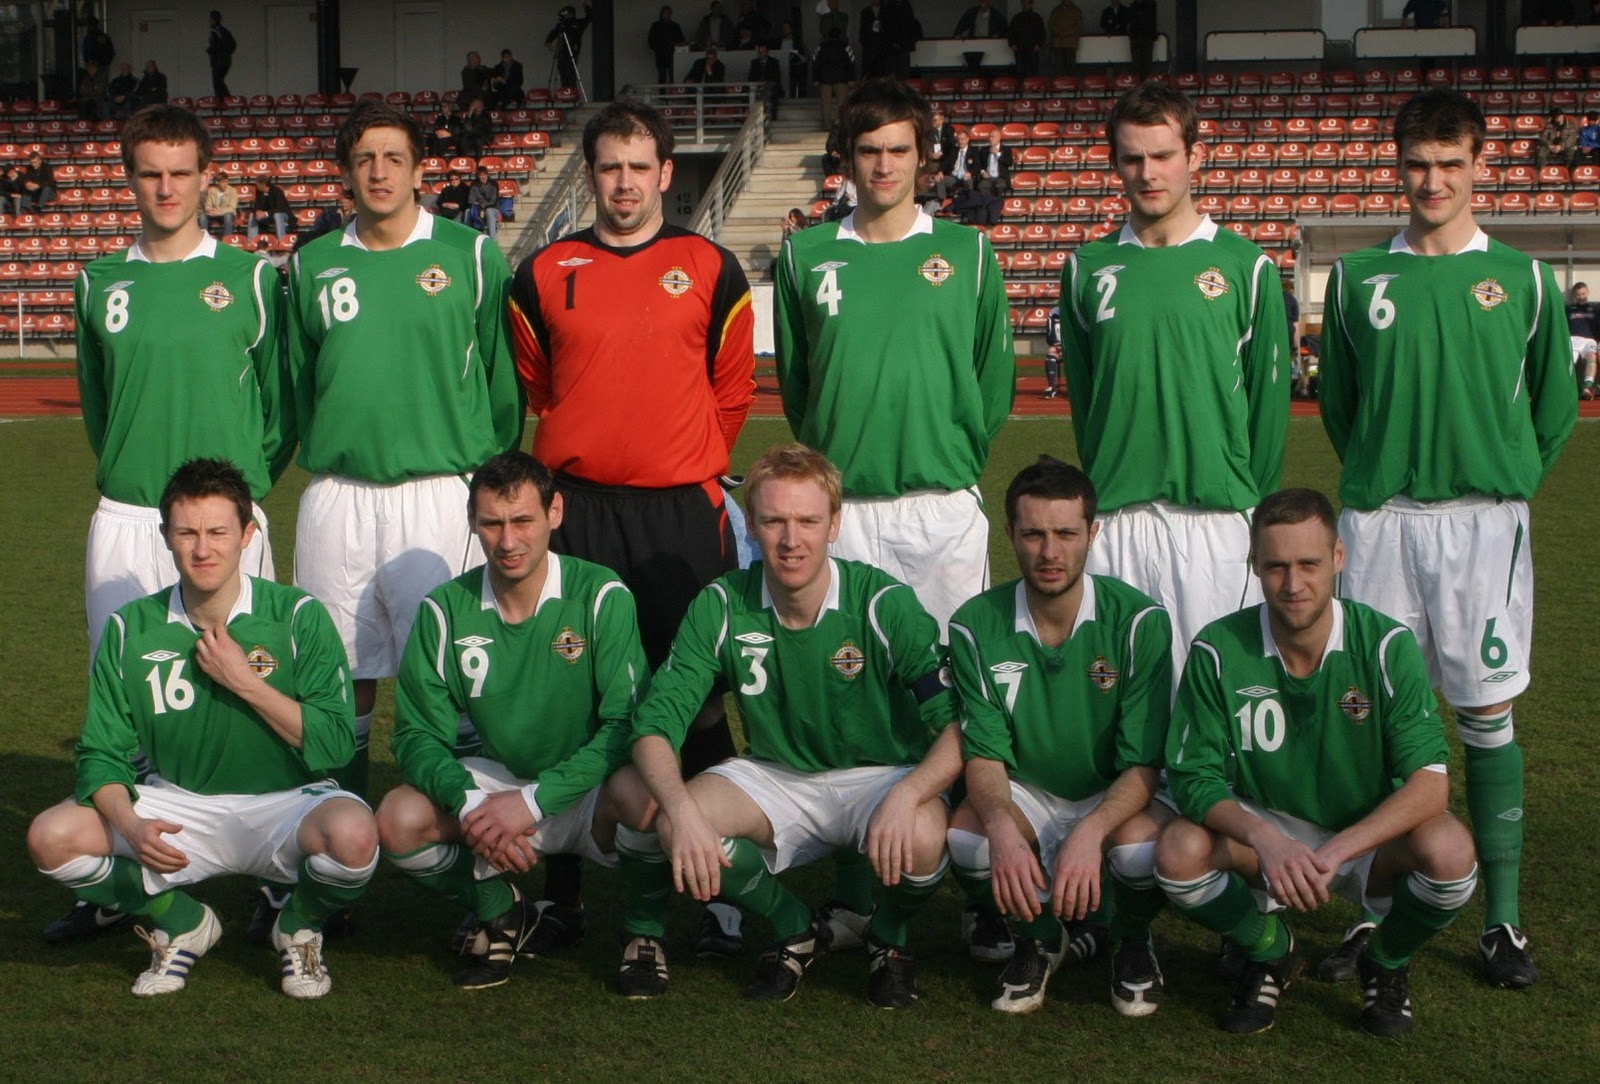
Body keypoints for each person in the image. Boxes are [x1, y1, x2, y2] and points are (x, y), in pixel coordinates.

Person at [1318, 89, 1577, 990]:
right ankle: (1375, 910)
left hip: (1482, 525)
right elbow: (1344, 413)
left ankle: (1502, 921)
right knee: (1374, 721)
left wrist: (1502, 482)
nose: (1433, 181)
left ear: (1479, 167)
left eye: (1451, 165)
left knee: (1485, 716)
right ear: (1399, 168)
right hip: (1382, 523)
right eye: (1418, 165)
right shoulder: (1355, 282)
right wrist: (1387, 481)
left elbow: (1552, 412)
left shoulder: (1528, 281)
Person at [508, 98, 755, 958]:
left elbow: (732, 391)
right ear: (590, 175)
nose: (623, 182)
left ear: (665, 174)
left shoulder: (710, 266)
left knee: (698, 701)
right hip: (578, 513)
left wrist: (677, 463)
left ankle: (721, 887)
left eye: (639, 166)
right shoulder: (542, 272)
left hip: (680, 511)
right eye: (608, 166)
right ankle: (565, 892)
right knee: (571, 699)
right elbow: (540, 386)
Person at [609, 444, 961, 1006]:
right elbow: (655, 726)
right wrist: (678, 808)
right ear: (751, 523)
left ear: (835, 524)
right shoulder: (722, 604)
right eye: (773, 520)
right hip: (778, 774)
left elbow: (955, 726)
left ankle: (888, 938)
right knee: (676, 822)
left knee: (923, 832)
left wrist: (911, 793)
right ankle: (795, 926)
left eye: (807, 521)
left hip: (880, 777)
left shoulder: (882, 603)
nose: (791, 539)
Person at [27, 458, 375, 1000]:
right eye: (187, 532)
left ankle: (299, 927)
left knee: (356, 835)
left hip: (286, 805)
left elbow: (333, 745)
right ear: (167, 536)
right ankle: (180, 921)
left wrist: (247, 683)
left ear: (248, 535)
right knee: (51, 837)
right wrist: (132, 824)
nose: (203, 548)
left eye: (218, 532)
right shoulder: (131, 628)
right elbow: (101, 755)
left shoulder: (297, 615)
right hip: (178, 808)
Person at [1156, 487, 1479, 1036]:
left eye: (1308, 563)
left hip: (1363, 838)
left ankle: (1387, 959)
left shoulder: (1383, 645)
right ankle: (1270, 950)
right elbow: (1192, 777)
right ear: (1254, 564)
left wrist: (1336, 851)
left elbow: (1430, 787)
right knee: (1177, 850)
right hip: (1268, 831)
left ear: (1338, 558)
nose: (1293, 583)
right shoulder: (1219, 649)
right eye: (1276, 566)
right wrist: (1268, 840)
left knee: (1449, 852)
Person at [286, 99, 523, 814]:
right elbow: (300, 385)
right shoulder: (312, 264)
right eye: (364, 160)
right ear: (344, 175)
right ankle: (341, 852)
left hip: (440, 496)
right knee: (337, 675)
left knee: (454, 673)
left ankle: (467, 848)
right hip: (339, 494)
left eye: (394, 158)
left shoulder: (469, 253)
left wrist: (485, 476)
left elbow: (501, 384)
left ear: (421, 169)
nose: (379, 172)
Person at [376, 451, 653, 989]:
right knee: (397, 817)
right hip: (496, 789)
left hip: (586, 791)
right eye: (492, 523)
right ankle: (501, 908)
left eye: (522, 520)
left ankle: (644, 933)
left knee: (649, 792)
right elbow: (414, 736)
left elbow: (626, 726)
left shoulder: (600, 595)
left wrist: (530, 802)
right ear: (473, 522)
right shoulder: (444, 610)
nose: (507, 541)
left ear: (555, 512)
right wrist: (473, 802)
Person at [1060, 81, 1289, 675]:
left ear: (1195, 155)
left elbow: (1268, 415)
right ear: (1115, 163)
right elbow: (1087, 401)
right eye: (1132, 158)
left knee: (1214, 700)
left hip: (1217, 523)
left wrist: (1241, 498)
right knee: (1119, 704)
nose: (1148, 172)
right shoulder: (1087, 267)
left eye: (1162, 155)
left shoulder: (1247, 267)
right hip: (1116, 520)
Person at [775, 78, 1015, 632]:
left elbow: (993, 382)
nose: (884, 165)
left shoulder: (968, 251)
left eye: (898, 150)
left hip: (942, 508)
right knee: (848, 684)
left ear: (924, 158)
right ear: (848, 158)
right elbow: (797, 383)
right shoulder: (804, 254)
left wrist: (955, 449)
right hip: (842, 510)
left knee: (952, 684)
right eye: (870, 150)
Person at [947, 457, 1174, 1017]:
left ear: (1093, 533)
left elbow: (1144, 763)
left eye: (1066, 533)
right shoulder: (973, 623)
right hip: (1029, 790)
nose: (1050, 553)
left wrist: (1092, 831)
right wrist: (1000, 824)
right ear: (1011, 536)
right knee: (968, 837)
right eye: (1034, 534)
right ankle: (1041, 937)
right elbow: (984, 752)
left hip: (1113, 790)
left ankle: (1131, 940)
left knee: (1143, 849)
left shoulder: (1139, 621)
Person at [74, 105, 287, 662]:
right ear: (129, 179)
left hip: (224, 523)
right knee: (126, 698)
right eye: (150, 174)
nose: (166, 188)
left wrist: (241, 489)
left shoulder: (253, 279)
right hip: (128, 516)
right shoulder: (97, 283)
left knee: (244, 695)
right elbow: (98, 408)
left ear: (206, 176)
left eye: (181, 173)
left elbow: (283, 410)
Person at [812, 30, 855, 128]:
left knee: (826, 104)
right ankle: (840, 127)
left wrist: (816, 78)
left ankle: (827, 126)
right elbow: (851, 61)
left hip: (825, 78)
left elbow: (815, 62)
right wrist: (851, 78)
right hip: (841, 77)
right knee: (841, 104)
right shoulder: (845, 46)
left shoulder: (822, 46)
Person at [547, 5, 593, 90]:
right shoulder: (561, 25)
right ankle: (565, 93)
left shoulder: (578, 23)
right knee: (563, 73)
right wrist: (548, 42)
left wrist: (586, 7)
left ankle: (572, 93)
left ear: (571, 14)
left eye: (566, 13)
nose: (565, 15)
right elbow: (553, 33)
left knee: (570, 73)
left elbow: (589, 18)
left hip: (572, 51)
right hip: (562, 51)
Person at [1569, 282, 1598, 400]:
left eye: (1583, 294)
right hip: (1573, 339)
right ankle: (1565, 388)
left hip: (1589, 340)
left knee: (1592, 357)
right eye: (1578, 294)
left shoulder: (1595, 309)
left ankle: (1587, 387)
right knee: (1569, 361)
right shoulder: (1569, 309)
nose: (1581, 297)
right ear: (1574, 295)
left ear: (1587, 293)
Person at [1008, 0, 1047, 78]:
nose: (1024, 6)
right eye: (1023, 4)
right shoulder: (1016, 18)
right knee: (1020, 71)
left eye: (1026, 4)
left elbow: (1042, 33)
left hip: (1033, 49)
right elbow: (1010, 33)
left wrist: (1039, 45)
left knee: (1033, 70)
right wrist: (1012, 44)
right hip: (1020, 48)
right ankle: (1021, 88)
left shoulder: (1037, 18)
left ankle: (1034, 87)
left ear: (1031, 5)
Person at [247, 177, 293, 244]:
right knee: (252, 215)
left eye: (258, 184)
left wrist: (265, 213)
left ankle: (282, 243)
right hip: (269, 215)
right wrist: (257, 211)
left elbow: (280, 208)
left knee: (277, 215)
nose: (256, 185)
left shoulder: (277, 191)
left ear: (263, 184)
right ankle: (251, 242)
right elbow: (257, 205)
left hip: (283, 214)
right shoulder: (259, 192)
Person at [648, 6, 687, 83]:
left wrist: (675, 45)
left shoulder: (675, 26)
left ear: (670, 14)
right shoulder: (656, 26)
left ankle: (673, 94)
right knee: (662, 78)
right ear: (661, 14)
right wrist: (658, 48)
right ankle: (662, 94)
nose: (666, 15)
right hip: (661, 55)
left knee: (673, 77)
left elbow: (681, 40)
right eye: (665, 13)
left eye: (668, 13)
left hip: (673, 54)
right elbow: (651, 41)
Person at [1048, 0, 1083, 77]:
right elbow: (1051, 24)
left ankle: (1071, 86)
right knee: (1059, 68)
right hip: (1058, 43)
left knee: (1070, 68)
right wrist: (1058, 32)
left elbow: (1078, 26)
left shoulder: (1076, 10)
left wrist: (1066, 33)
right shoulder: (1056, 10)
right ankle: (1059, 86)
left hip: (1070, 43)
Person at [206, 10, 236, 99]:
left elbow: (216, 46)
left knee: (217, 81)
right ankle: (225, 99)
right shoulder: (224, 30)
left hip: (219, 61)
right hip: (224, 60)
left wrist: (211, 50)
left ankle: (223, 100)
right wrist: (227, 53)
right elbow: (232, 44)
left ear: (213, 20)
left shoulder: (216, 31)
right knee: (219, 80)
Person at [749, 43, 784, 119]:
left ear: (767, 52)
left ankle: (768, 114)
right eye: (760, 52)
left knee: (768, 91)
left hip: (770, 86)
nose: (761, 54)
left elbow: (776, 77)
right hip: (757, 86)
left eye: (763, 52)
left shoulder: (774, 62)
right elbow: (751, 77)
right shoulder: (754, 62)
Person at [1126, 0, 1158, 80]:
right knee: (1136, 64)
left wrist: (1152, 35)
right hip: (1136, 37)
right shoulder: (1133, 7)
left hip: (1147, 37)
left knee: (1147, 63)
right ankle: (1137, 83)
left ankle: (1146, 84)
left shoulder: (1150, 6)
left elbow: (1152, 21)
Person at [199, 172, 238, 237]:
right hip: (214, 214)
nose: (225, 184)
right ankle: (205, 238)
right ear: (218, 182)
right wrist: (209, 209)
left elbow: (232, 208)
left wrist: (219, 212)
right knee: (203, 216)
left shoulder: (233, 191)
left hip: (226, 213)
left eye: (226, 182)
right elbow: (208, 205)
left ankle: (227, 238)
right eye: (222, 182)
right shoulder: (212, 190)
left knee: (228, 216)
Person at [467, 165, 501, 238]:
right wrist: (479, 205)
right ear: (477, 176)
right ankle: (468, 236)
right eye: (480, 175)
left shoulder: (493, 184)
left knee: (488, 211)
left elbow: (493, 201)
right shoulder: (473, 185)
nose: (483, 177)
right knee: (468, 211)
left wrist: (484, 206)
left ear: (487, 175)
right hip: (478, 207)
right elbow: (471, 200)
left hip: (493, 208)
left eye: (484, 175)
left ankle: (492, 238)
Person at [1043, 305, 1063, 398]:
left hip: (1072, 349)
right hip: (1058, 348)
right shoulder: (1054, 312)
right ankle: (1052, 387)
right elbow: (1049, 335)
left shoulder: (1076, 310)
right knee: (1051, 352)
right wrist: (1056, 344)